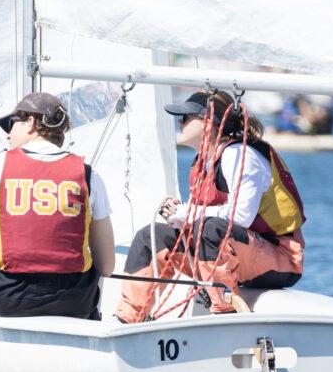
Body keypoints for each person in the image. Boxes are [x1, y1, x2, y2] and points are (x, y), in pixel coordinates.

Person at [115, 89, 305, 323]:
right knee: (150, 237)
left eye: (186, 117)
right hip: (234, 253)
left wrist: (188, 213)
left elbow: (241, 217)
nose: (180, 122)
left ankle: (223, 311)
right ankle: (126, 319)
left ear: (208, 122)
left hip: (280, 258)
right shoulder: (204, 161)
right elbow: (203, 218)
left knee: (210, 228)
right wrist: (177, 214)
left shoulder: (238, 155)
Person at [0, 91, 115, 319]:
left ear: (30, 123)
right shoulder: (89, 176)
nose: (7, 135)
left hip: (12, 300)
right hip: (74, 302)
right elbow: (106, 266)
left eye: (11, 124)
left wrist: (16, 255)